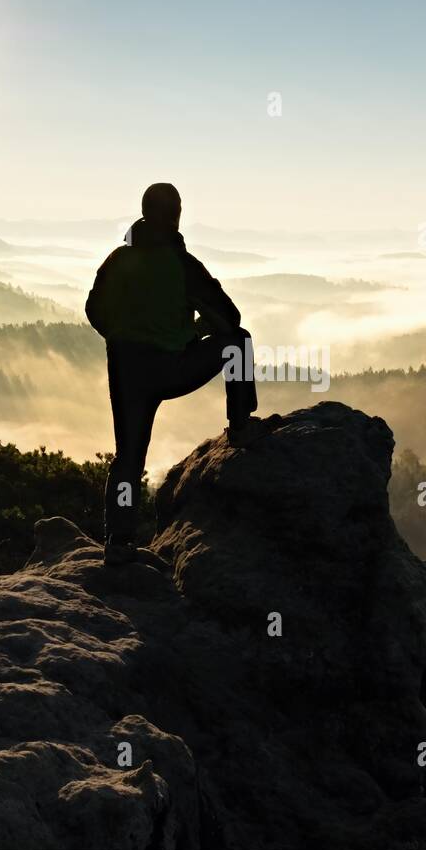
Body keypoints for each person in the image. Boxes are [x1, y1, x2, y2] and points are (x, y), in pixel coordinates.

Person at [85, 183, 259, 564]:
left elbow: (94, 310)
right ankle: (241, 425)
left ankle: (118, 541)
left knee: (128, 457)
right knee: (239, 342)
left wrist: (121, 338)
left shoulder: (117, 260)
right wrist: (192, 332)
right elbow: (230, 320)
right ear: (176, 214)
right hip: (173, 367)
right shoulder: (183, 266)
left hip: (127, 370)